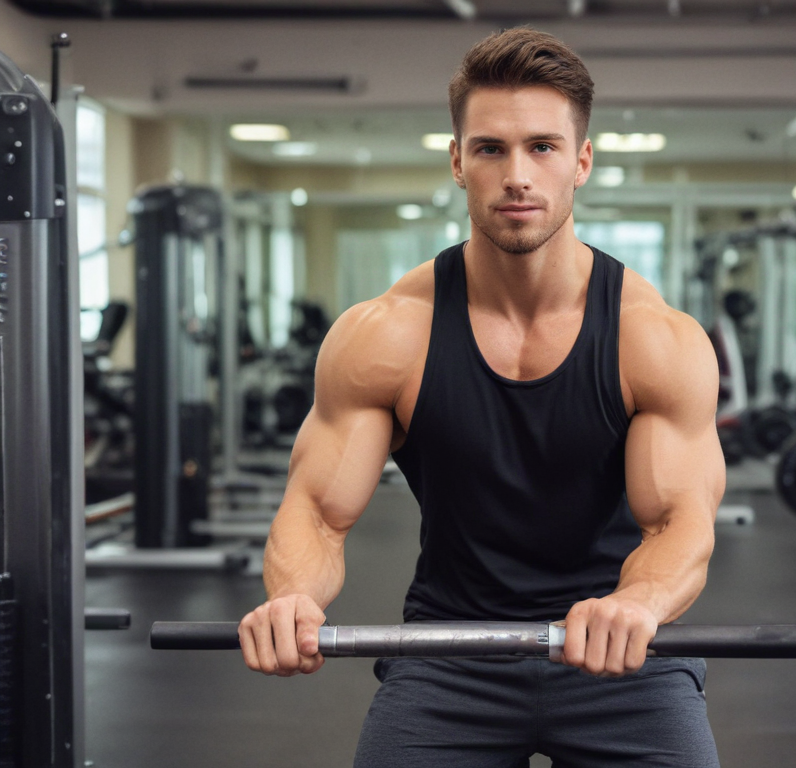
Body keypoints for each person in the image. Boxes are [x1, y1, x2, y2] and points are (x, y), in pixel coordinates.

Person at [239, 26, 725, 767]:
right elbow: (316, 511)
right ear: (459, 162)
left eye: (543, 147)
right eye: (492, 149)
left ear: (582, 162)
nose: (518, 175)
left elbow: (680, 523)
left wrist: (639, 605)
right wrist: (292, 596)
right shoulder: (387, 335)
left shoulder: (652, 338)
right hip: (448, 651)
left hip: (620, 652)